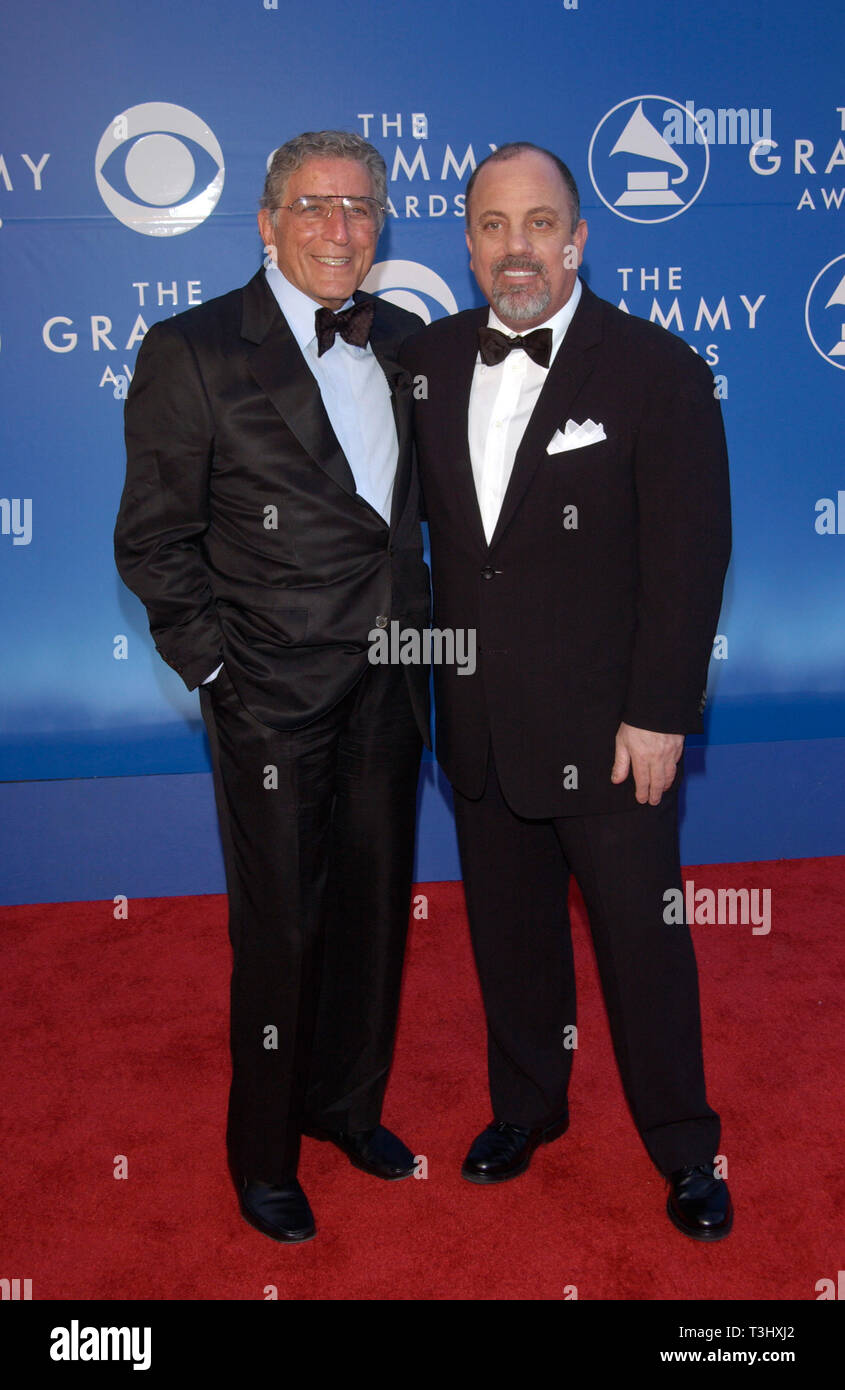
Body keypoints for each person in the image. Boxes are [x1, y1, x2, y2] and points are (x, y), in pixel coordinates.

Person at [401, 142, 733, 1239]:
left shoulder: (656, 368)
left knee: (644, 942)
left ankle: (685, 1146)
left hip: (610, 731)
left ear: (576, 237)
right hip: (482, 724)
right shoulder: (430, 363)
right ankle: (527, 1108)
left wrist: (658, 711)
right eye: (493, 226)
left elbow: (689, 559)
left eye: (538, 223)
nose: (516, 248)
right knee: (510, 935)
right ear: (466, 242)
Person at [114, 130, 431, 1244]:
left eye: (360, 209)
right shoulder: (194, 349)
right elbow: (154, 540)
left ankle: (346, 1108)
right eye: (313, 207)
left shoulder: (404, 341)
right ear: (265, 221)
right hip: (268, 697)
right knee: (281, 930)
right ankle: (262, 1155)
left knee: (374, 912)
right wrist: (216, 672)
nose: (340, 230)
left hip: (393, 682)